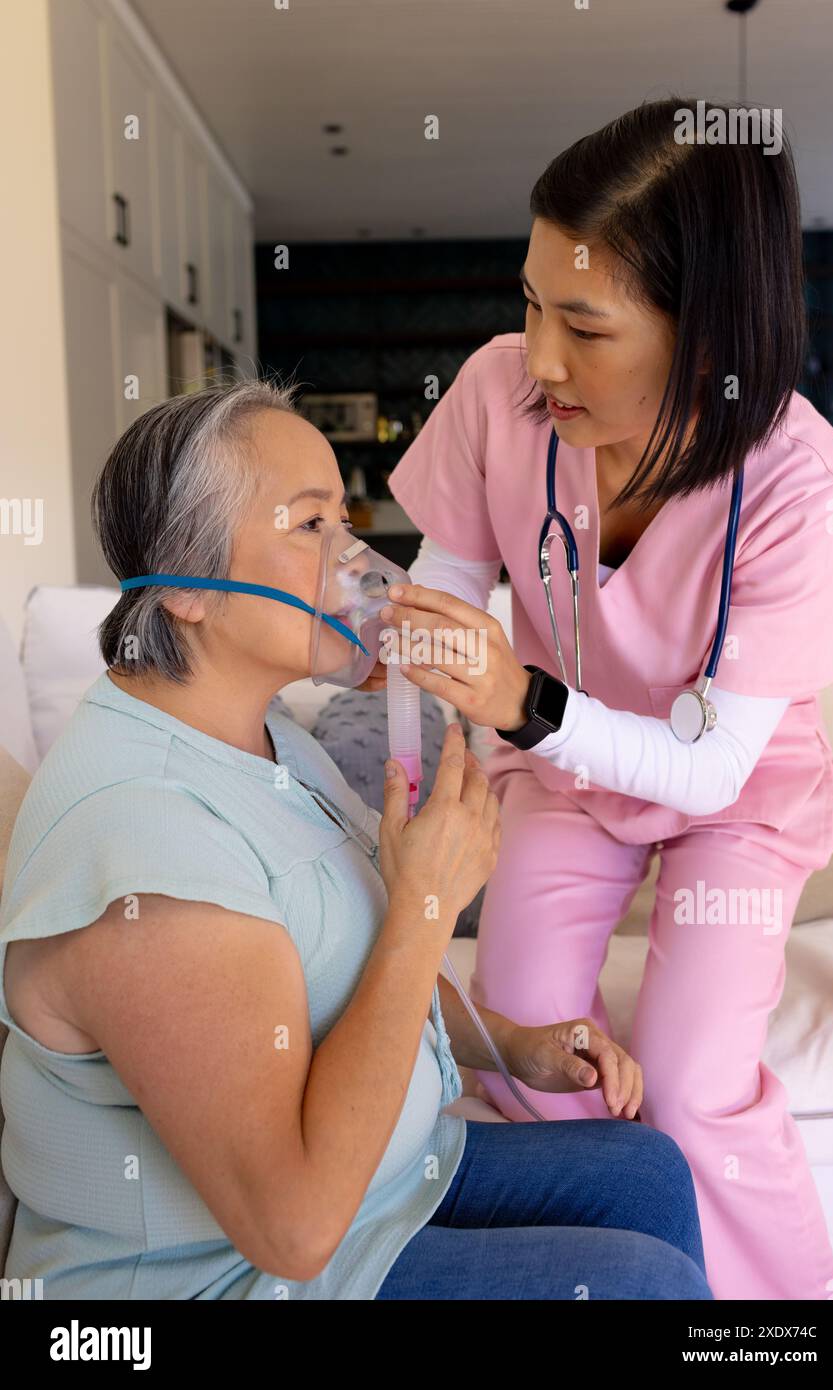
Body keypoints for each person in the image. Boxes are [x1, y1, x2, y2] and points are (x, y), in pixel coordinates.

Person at [0, 382, 711, 1300]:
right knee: (634, 1285)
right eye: (306, 527)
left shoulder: (257, 733)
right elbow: (291, 1232)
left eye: (346, 517)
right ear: (184, 586)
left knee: (643, 1171)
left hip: (385, 1184)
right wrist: (428, 904)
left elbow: (340, 960)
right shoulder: (143, 850)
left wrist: (511, 1045)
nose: (361, 563)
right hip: (222, 1278)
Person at [383, 97, 833, 1300]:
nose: (540, 356)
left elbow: (707, 765)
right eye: (530, 304)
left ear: (704, 335)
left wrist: (519, 694)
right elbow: (438, 614)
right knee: (533, 1035)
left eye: (584, 326)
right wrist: (413, 780)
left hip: (734, 799)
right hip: (570, 779)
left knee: (694, 1082)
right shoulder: (502, 395)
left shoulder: (805, 490)